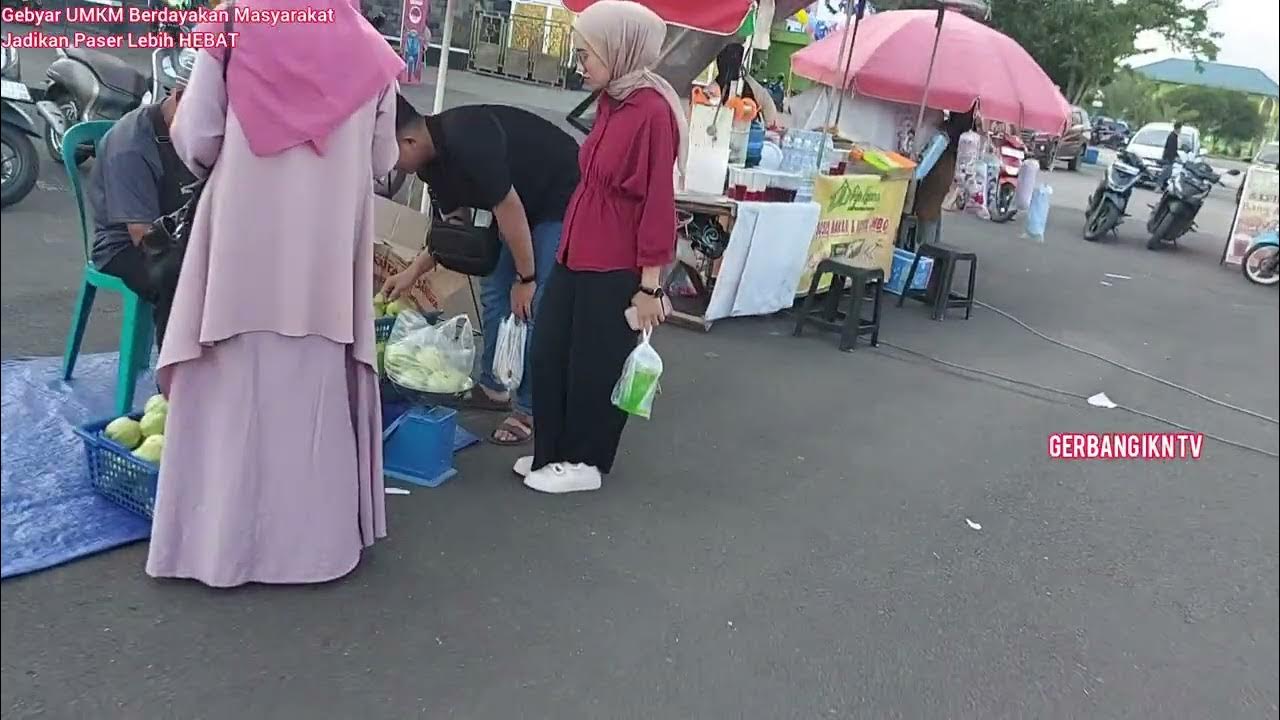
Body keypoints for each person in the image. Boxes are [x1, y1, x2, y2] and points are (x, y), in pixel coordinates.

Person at [144, 0, 404, 587]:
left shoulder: (235, 23)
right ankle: (314, 550)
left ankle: (214, 549)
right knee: (310, 395)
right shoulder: (369, 48)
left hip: (241, 245)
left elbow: (196, 135)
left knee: (225, 388)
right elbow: (384, 160)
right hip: (324, 259)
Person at [517, 0, 685, 494]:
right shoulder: (612, 99)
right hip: (574, 251)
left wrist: (649, 287)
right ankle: (551, 451)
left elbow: (658, 202)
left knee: (595, 362)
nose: (580, 63)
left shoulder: (653, 112)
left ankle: (585, 462)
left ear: (620, 49)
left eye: (587, 53)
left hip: (615, 264)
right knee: (549, 352)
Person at [384, 95, 581, 446]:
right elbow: (454, 235)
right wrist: (412, 273)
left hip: (559, 193)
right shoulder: (429, 161)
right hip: (519, 202)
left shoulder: (468, 142)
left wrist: (527, 278)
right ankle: (494, 387)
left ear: (409, 141)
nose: (388, 165)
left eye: (389, 153)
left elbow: (509, 208)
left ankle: (528, 409)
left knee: (532, 305)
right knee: (494, 292)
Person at [87, 56, 196, 351]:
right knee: (176, 276)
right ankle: (174, 385)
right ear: (181, 97)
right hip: (127, 246)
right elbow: (146, 239)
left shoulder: (202, 135)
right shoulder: (132, 145)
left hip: (182, 234)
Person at [913, 110, 972, 247]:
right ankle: (931, 252)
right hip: (946, 158)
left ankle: (925, 253)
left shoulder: (949, 133)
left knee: (927, 209)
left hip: (942, 158)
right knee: (932, 209)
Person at [1157, 120, 1184, 187]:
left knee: (1168, 173)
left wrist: (1178, 156)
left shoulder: (1174, 136)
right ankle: (1158, 186)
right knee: (1165, 173)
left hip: (1169, 158)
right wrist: (1174, 158)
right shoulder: (1172, 137)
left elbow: (1174, 149)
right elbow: (1170, 149)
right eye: (1180, 129)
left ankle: (1163, 186)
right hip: (1168, 158)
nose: (1180, 131)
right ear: (1178, 128)